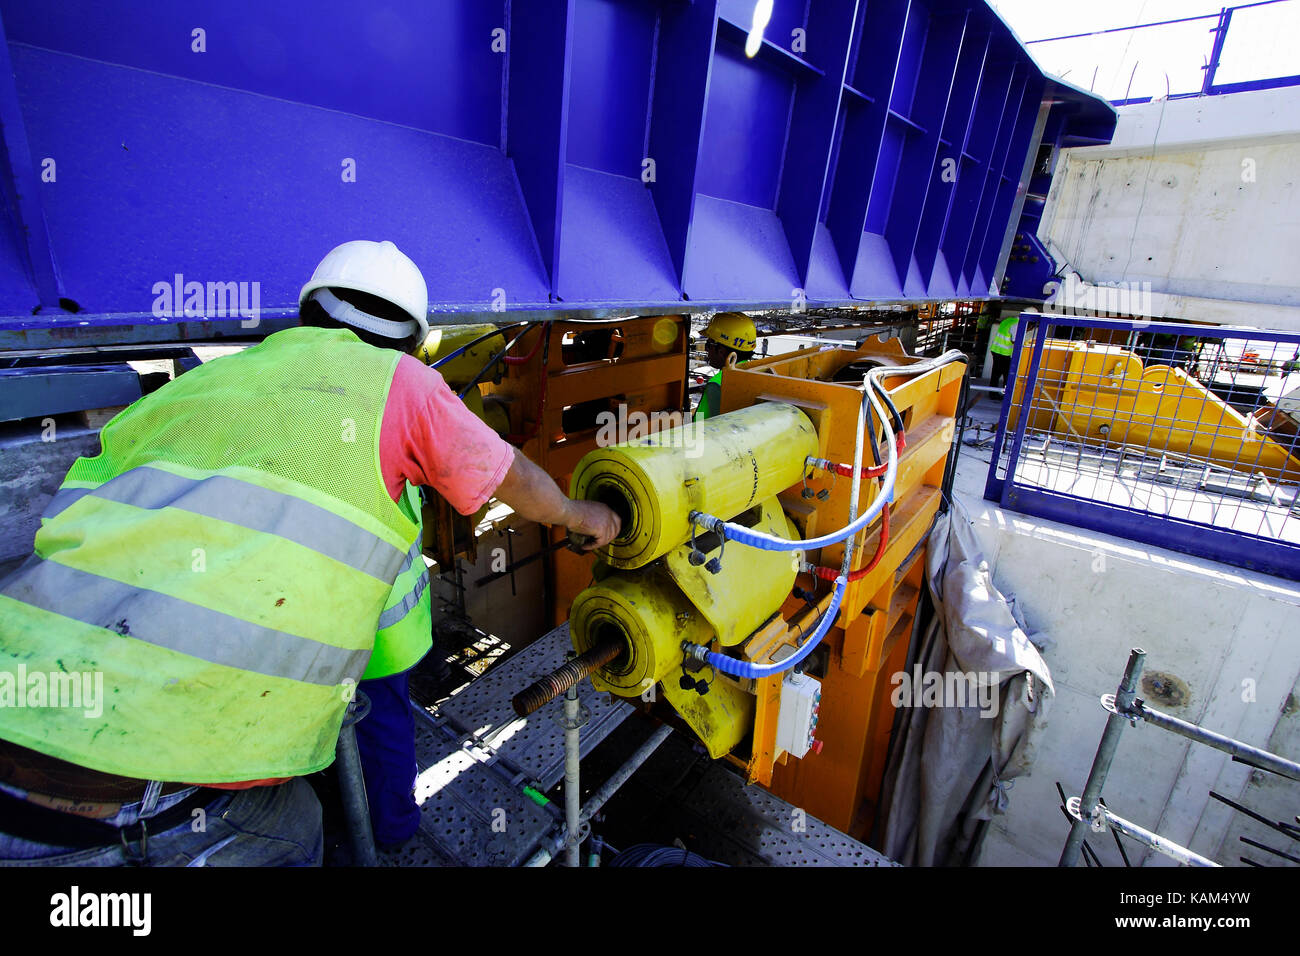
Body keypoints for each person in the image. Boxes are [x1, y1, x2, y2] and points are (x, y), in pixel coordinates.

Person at [0, 240, 620, 866]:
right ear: (409, 341)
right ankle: (389, 836)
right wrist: (579, 512)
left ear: (307, 315)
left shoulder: (205, 380)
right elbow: (506, 471)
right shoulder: (401, 384)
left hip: (16, 698)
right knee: (300, 827)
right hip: (129, 792)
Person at [693, 313, 757, 421]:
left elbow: (701, 426)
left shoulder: (718, 384)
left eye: (708, 344)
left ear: (721, 351)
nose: (706, 350)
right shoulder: (756, 371)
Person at [989, 313, 1019, 391]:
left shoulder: (1008, 320)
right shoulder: (1016, 324)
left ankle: (993, 392)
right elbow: (1014, 340)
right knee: (1007, 374)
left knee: (996, 373)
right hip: (1004, 353)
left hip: (996, 349)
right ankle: (1005, 393)